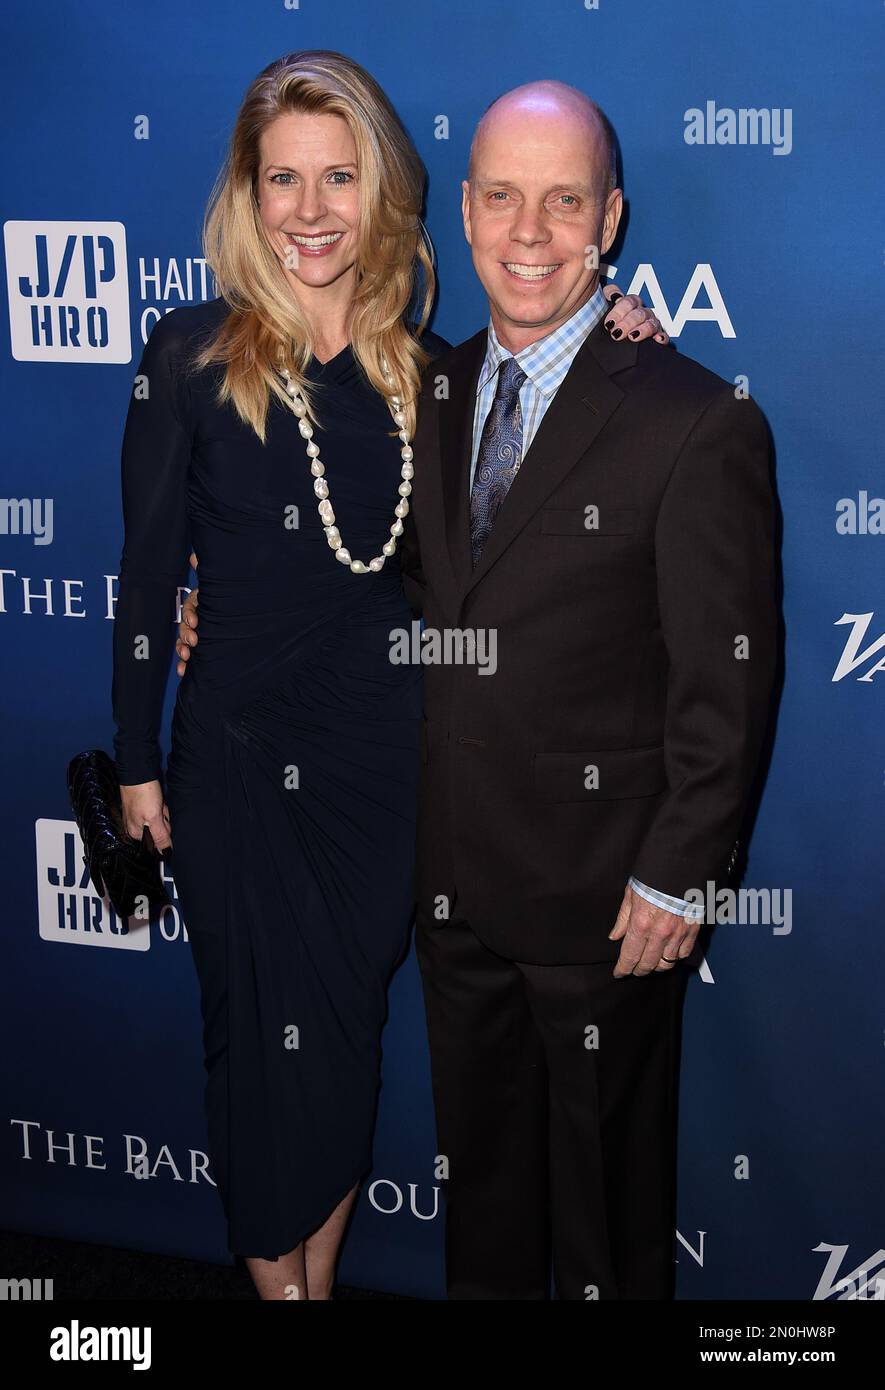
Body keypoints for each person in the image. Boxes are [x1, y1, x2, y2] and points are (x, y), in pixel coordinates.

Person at [115, 51, 663, 1301]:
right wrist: (137, 758)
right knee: (258, 1061)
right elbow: (146, 579)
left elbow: (557, 401)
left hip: (380, 770)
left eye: (339, 177)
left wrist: (623, 323)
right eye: (281, 180)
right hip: (241, 767)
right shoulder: (190, 354)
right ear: (246, 198)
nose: (310, 209)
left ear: (387, 192)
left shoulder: (433, 372)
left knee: (343, 1053)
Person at [401, 80, 778, 1300]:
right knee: (490, 1224)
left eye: (563, 202)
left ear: (609, 218)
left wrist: (682, 868)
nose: (528, 232)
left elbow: (728, 674)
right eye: (503, 197)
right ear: (462, 211)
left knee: (608, 1238)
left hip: (609, 914)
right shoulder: (427, 392)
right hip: (456, 897)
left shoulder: (690, 416)